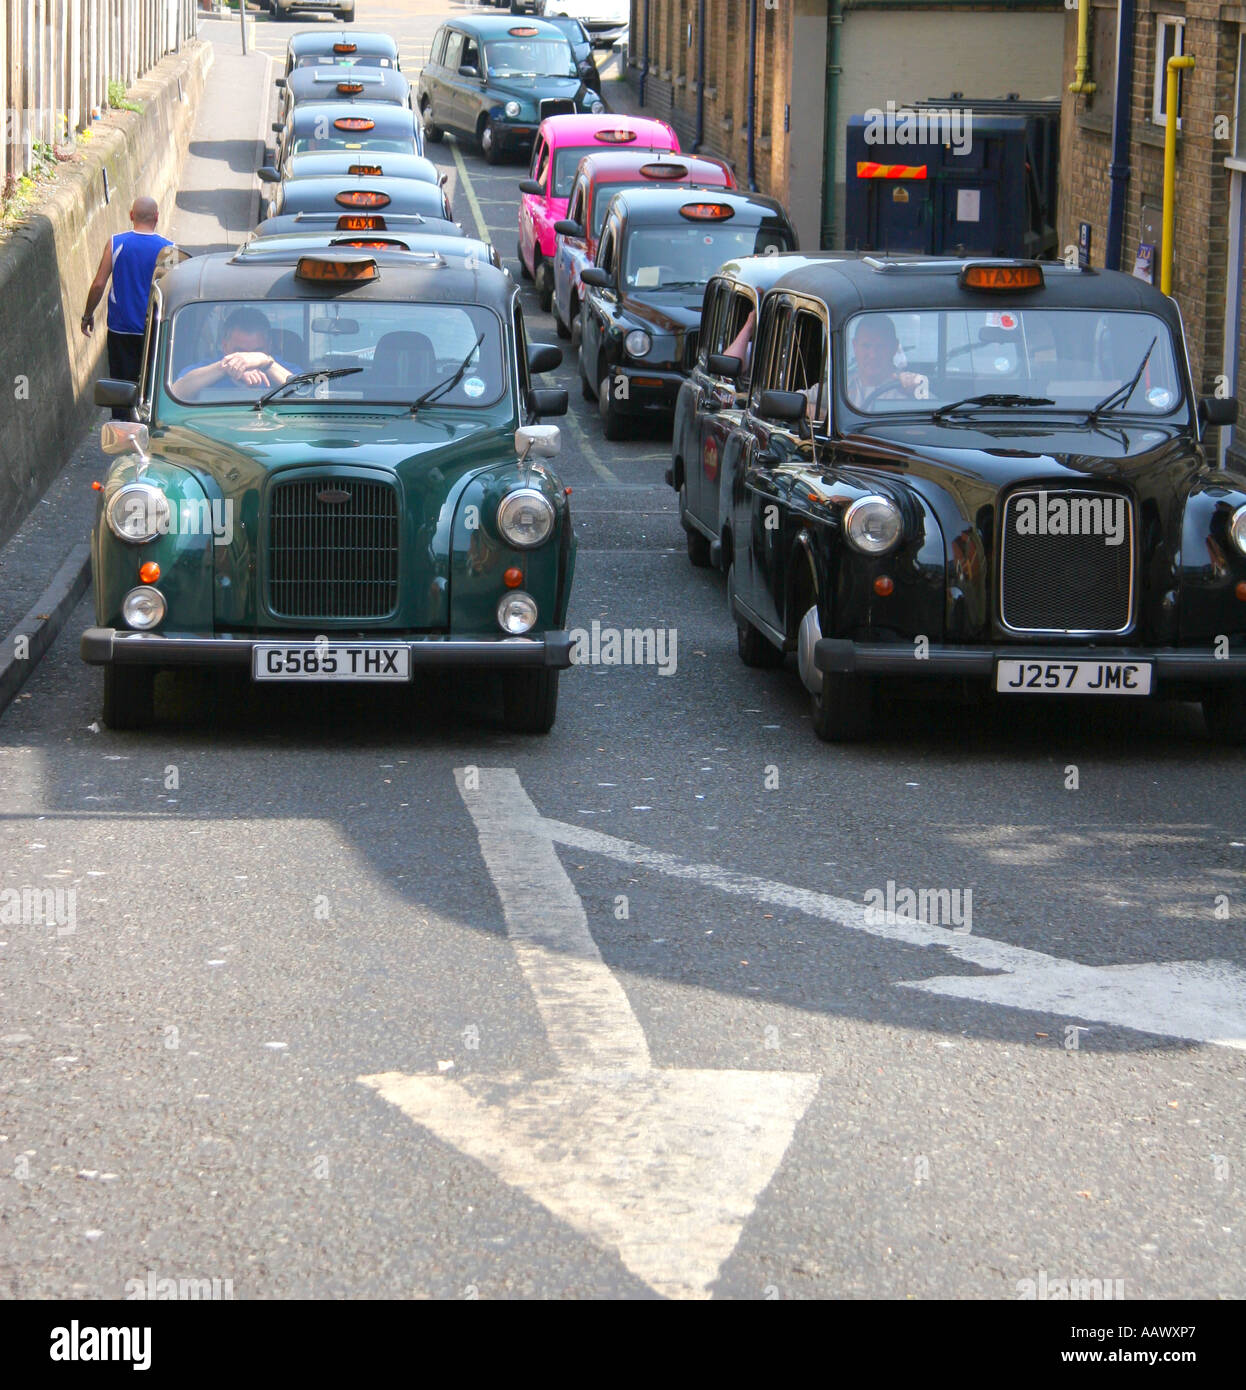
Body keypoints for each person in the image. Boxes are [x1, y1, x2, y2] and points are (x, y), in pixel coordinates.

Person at [80, 197, 173, 418]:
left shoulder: (115, 242)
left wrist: (87, 315)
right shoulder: (168, 248)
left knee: (121, 385)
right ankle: (147, 425)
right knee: (151, 383)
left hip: (120, 329)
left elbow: (99, 284)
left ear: (131, 215)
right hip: (153, 329)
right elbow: (172, 288)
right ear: (157, 217)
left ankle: (122, 429)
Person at [174, 308, 300, 401]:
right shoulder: (209, 369)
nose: (247, 359)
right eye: (240, 351)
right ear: (224, 346)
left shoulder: (283, 368)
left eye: (257, 351)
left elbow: (306, 392)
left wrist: (265, 363)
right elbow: (176, 392)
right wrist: (226, 367)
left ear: (270, 346)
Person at [846, 314, 927, 407]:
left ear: (894, 347)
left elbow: (936, 411)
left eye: (881, 346)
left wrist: (916, 394)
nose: (873, 355)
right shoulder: (839, 387)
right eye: (866, 346)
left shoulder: (910, 387)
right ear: (855, 346)